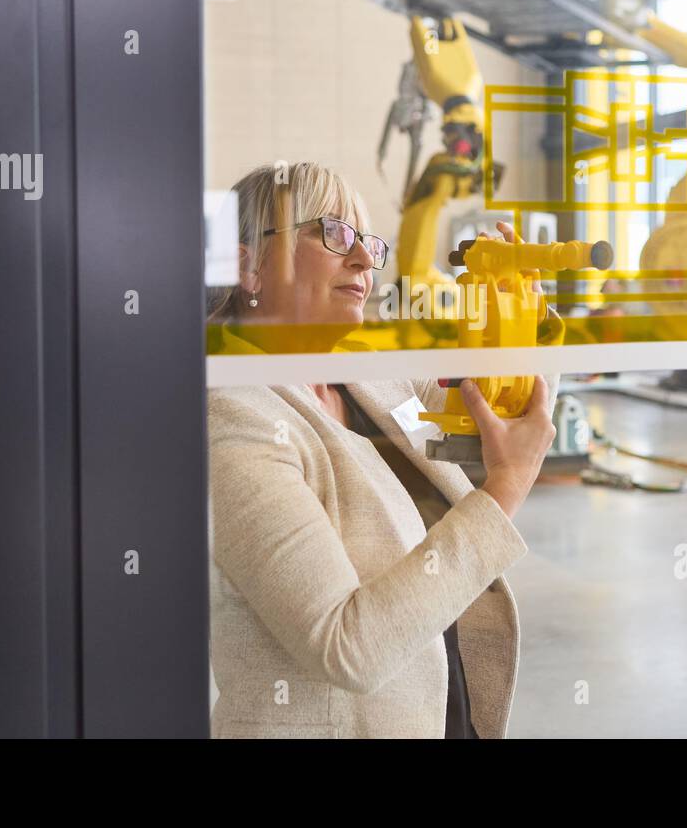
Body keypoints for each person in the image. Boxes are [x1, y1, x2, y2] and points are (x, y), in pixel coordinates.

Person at [206, 161, 560, 738]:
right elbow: (347, 647)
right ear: (249, 266)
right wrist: (505, 490)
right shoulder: (234, 418)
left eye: (368, 242)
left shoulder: (367, 375)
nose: (364, 260)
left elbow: (505, 414)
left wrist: (521, 317)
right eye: (333, 234)